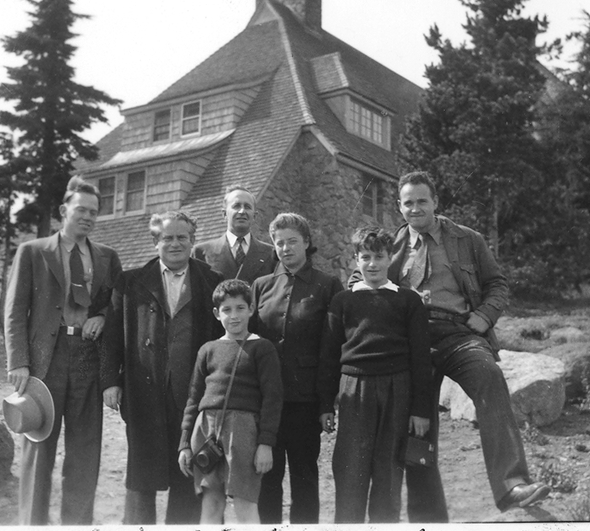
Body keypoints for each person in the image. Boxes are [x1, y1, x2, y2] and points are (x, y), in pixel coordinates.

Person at [391, 171, 551, 520]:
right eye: (408, 203)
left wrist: (483, 316)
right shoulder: (391, 245)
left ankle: (512, 485)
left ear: (436, 202)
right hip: (412, 340)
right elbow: (361, 272)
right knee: (417, 419)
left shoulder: (468, 239)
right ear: (399, 207)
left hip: (460, 333)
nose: (415, 208)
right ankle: (429, 518)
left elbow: (498, 284)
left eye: (422, 201)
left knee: (489, 376)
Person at [4, 175, 122, 525]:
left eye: (93, 212)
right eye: (80, 210)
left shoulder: (106, 257)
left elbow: (114, 303)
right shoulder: (33, 252)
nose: (87, 217)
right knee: (39, 449)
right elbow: (13, 311)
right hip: (45, 363)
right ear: (63, 210)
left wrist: (100, 315)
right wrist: (19, 362)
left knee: (85, 453)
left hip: (87, 357)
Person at [101, 211, 223, 525]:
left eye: (182, 237)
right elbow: (113, 335)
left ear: (192, 241)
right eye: (167, 237)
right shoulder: (130, 282)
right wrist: (110, 382)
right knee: (142, 473)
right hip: (143, 391)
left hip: (192, 392)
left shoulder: (212, 280)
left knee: (187, 468)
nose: (175, 243)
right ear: (155, 242)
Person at [318, 226, 433, 523]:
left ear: (390, 257)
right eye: (365, 257)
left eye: (379, 256)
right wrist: (324, 405)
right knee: (350, 469)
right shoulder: (343, 301)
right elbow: (329, 356)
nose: (372, 264)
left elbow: (421, 358)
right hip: (353, 389)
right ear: (356, 259)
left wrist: (420, 409)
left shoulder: (408, 300)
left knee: (389, 470)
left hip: (397, 388)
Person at [250, 212, 343, 523]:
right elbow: (250, 342)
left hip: (305, 402)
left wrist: (326, 403)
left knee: (305, 478)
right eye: (279, 243)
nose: (286, 248)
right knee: (267, 479)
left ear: (306, 242)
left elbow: (332, 349)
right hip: (265, 402)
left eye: (292, 241)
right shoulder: (261, 286)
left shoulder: (327, 285)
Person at [177, 279, 284, 524]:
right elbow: (194, 398)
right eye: (226, 310)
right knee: (211, 501)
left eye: (240, 308)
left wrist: (266, 443)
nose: (233, 316)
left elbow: (272, 399)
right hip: (206, 431)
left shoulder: (262, 348)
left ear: (251, 309)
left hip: (244, 430)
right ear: (217, 313)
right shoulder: (208, 349)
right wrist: (184, 443)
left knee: (245, 503)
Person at [192, 186, 277, 283]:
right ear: (224, 214)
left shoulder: (271, 254)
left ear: (254, 216)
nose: (242, 211)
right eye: (236, 206)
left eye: (247, 207)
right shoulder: (201, 253)